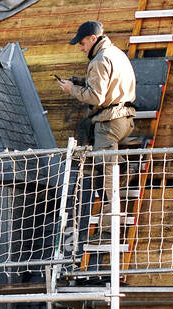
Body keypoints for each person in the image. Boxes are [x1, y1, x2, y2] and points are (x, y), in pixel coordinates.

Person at [57, 21, 137, 243]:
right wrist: (82, 82)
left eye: (82, 43)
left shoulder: (99, 60)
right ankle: (126, 170)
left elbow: (97, 98)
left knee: (106, 176)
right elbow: (106, 86)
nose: (81, 48)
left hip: (108, 125)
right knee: (108, 171)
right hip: (125, 119)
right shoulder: (116, 53)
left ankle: (109, 230)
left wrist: (71, 89)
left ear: (93, 38)